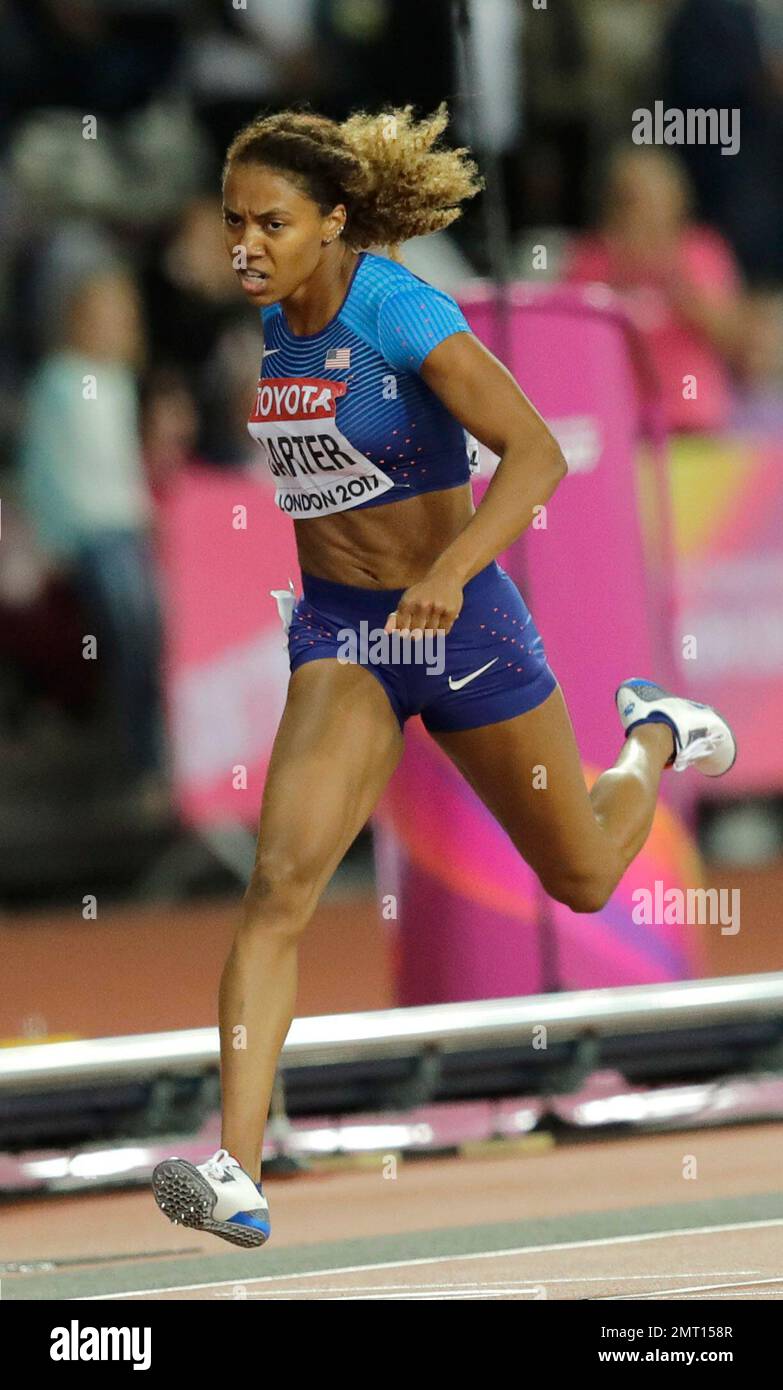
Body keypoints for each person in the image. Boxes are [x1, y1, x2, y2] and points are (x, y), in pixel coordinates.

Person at [152, 104, 737, 1248]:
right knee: (277, 889)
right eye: (233, 223)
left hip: (464, 630)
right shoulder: (274, 320)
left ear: (333, 222)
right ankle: (234, 1166)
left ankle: (655, 735)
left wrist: (454, 572)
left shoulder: (398, 307)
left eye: (271, 223)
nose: (245, 246)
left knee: (579, 876)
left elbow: (537, 450)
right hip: (345, 640)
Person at [564, 147, 748, 434]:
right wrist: (620, 270)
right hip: (617, 423)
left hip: (693, 421)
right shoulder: (590, 260)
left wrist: (675, 280)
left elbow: (735, 339)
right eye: (633, 200)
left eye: (657, 199)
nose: (647, 211)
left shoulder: (701, 252)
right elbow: (570, 349)